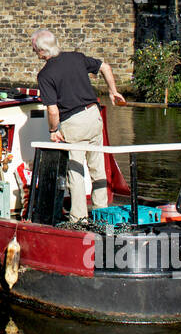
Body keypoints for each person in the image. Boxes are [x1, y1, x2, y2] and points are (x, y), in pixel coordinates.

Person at [30, 28, 126, 222]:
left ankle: (79, 218)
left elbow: (53, 111)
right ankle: (102, 214)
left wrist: (53, 130)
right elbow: (105, 67)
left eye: (34, 49)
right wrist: (113, 91)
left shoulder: (45, 75)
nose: (34, 52)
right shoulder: (77, 57)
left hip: (73, 123)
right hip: (94, 116)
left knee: (75, 171)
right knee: (97, 167)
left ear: (41, 51)